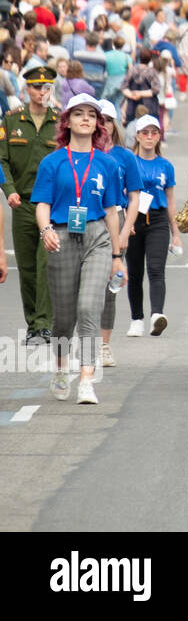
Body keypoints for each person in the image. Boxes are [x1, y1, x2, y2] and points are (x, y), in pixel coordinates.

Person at [32, 94, 127, 405]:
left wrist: (117, 256)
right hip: (60, 235)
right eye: (78, 114)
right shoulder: (52, 162)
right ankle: (61, 369)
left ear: (98, 123)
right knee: (63, 318)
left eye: (91, 115)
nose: (85, 119)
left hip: (97, 235)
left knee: (88, 307)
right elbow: (42, 204)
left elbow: (112, 210)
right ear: (68, 121)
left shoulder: (108, 163)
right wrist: (46, 230)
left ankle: (87, 379)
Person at [0, 65, 59, 345]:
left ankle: (44, 322)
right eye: (37, 87)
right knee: (26, 266)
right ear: (27, 89)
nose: (42, 92)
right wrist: (8, 190)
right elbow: (1, 160)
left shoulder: (60, 122)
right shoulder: (11, 121)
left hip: (49, 204)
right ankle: (33, 321)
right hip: (22, 202)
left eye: (47, 87)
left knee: (45, 262)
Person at [125, 115, 181, 338]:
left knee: (156, 269)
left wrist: (175, 233)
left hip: (157, 220)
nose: (149, 137)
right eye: (145, 133)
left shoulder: (165, 166)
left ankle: (157, 314)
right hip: (133, 220)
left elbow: (171, 200)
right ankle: (136, 318)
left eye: (154, 133)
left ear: (159, 137)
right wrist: (124, 225)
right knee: (135, 272)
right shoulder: (130, 162)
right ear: (137, 136)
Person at [95, 100, 141, 367]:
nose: (104, 126)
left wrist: (125, 230)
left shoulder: (125, 156)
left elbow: (134, 197)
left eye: (108, 120)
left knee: (110, 287)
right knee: (86, 287)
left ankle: (103, 345)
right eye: (100, 120)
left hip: (117, 220)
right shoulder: (82, 152)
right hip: (88, 219)